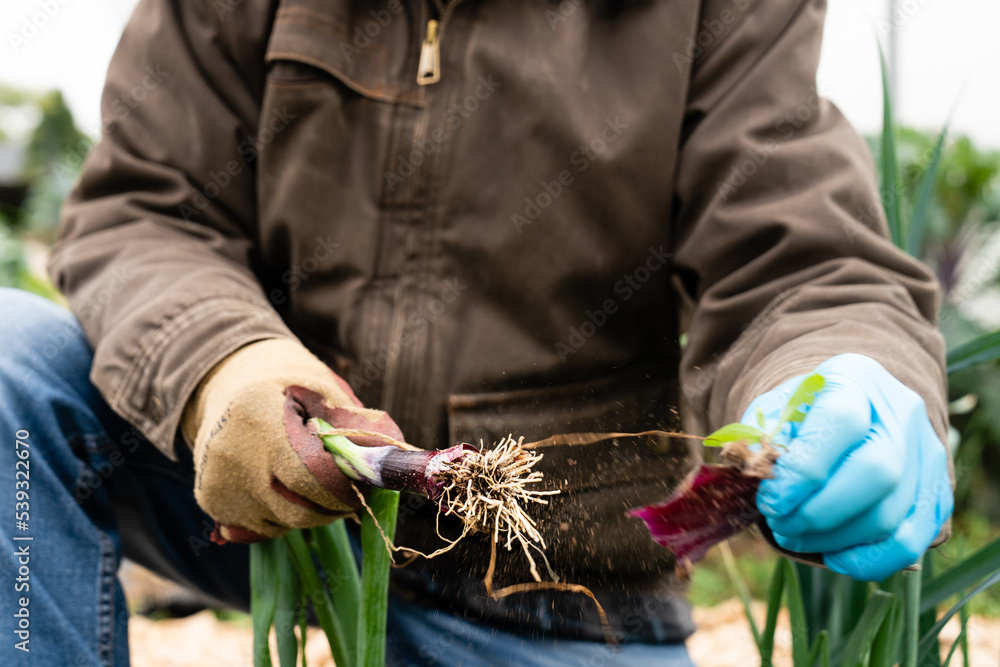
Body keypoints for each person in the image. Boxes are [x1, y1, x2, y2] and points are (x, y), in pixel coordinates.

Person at [1, 0, 954, 664]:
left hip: (547, 587)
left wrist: (843, 372)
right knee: (14, 367)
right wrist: (224, 365)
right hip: (273, 501)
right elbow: (147, 204)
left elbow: (796, 259)